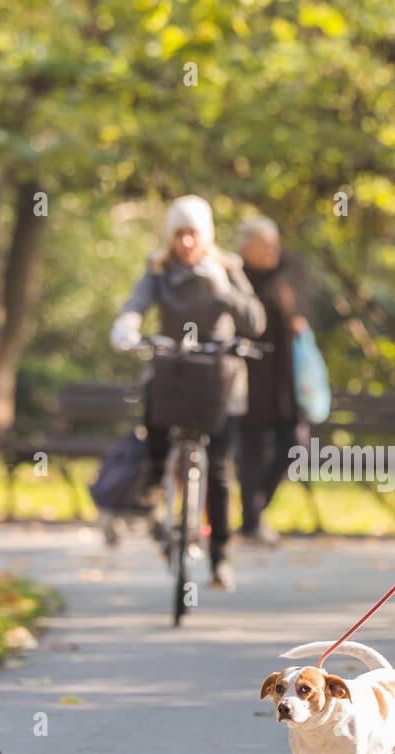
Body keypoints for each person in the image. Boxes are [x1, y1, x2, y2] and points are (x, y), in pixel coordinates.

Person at [109, 194, 266, 589]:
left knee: (218, 468)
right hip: (174, 374)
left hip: (220, 381)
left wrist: (224, 290)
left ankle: (220, 557)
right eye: (179, 234)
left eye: (192, 234)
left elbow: (256, 322)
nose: (186, 243)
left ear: (205, 234)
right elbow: (136, 304)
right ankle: (153, 504)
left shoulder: (228, 267)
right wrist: (125, 328)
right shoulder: (159, 269)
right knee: (157, 439)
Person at [235, 215, 311, 546]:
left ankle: (253, 512)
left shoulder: (280, 278)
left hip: (283, 388)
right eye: (266, 244)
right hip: (249, 387)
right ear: (246, 247)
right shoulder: (235, 279)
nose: (273, 249)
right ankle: (251, 521)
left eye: (275, 243)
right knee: (249, 455)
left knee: (295, 446)